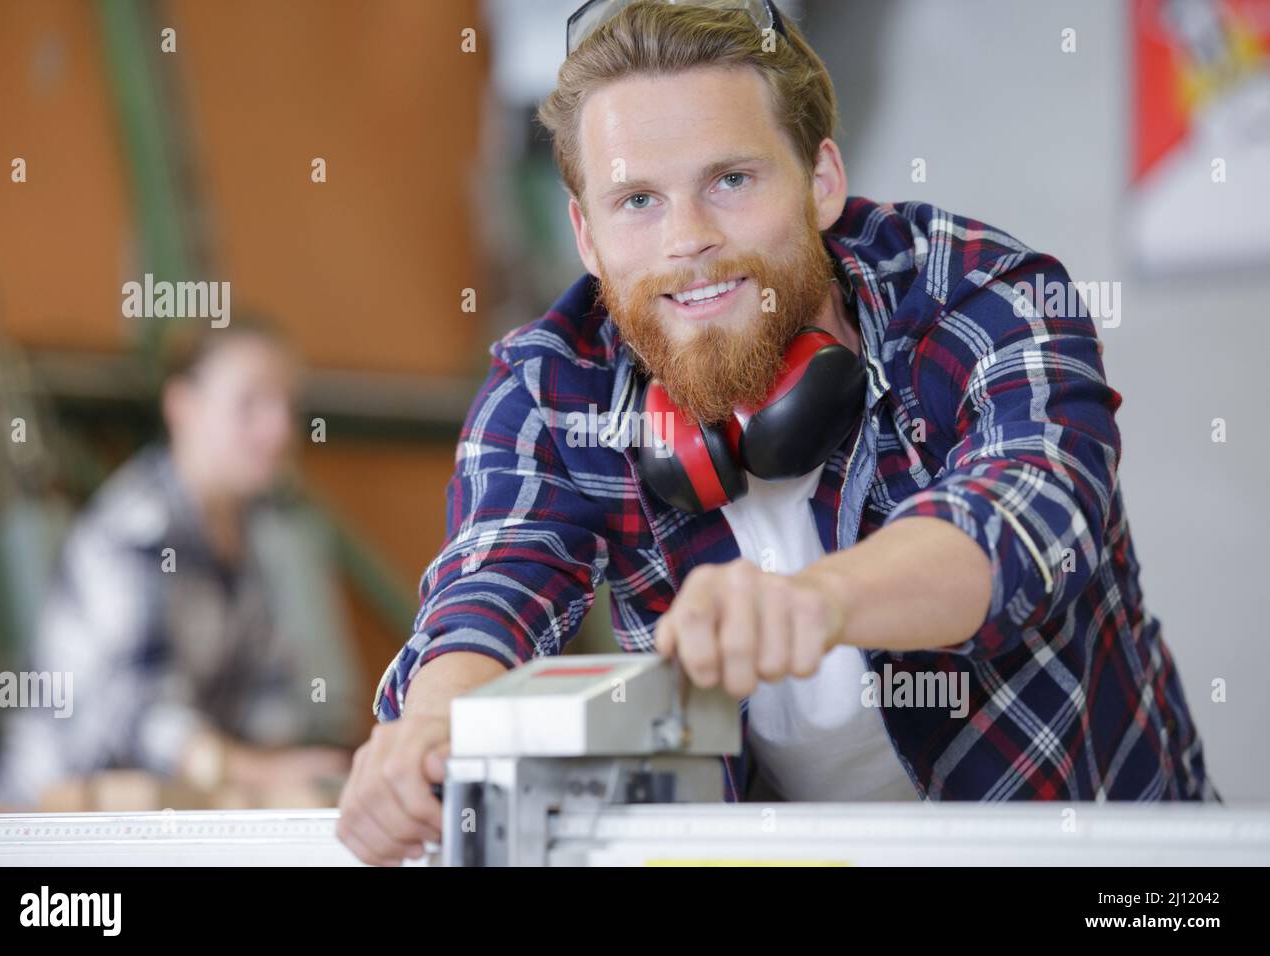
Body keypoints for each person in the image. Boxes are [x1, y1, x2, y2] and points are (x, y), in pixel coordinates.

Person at [337, 0, 1217, 866]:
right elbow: (490, 580)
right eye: (637, 200)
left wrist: (814, 600)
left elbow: (1028, 516)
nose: (689, 240)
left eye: (731, 180)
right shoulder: (552, 383)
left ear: (822, 180)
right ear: (587, 237)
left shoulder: (979, 293)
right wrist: (431, 729)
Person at [0, 319, 351, 807]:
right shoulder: (137, 529)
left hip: (171, 808)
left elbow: (270, 697)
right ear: (183, 406)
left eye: (288, 405)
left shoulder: (258, 533)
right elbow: (138, 719)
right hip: (53, 820)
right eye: (250, 403)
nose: (280, 428)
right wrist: (259, 773)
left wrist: (300, 769)